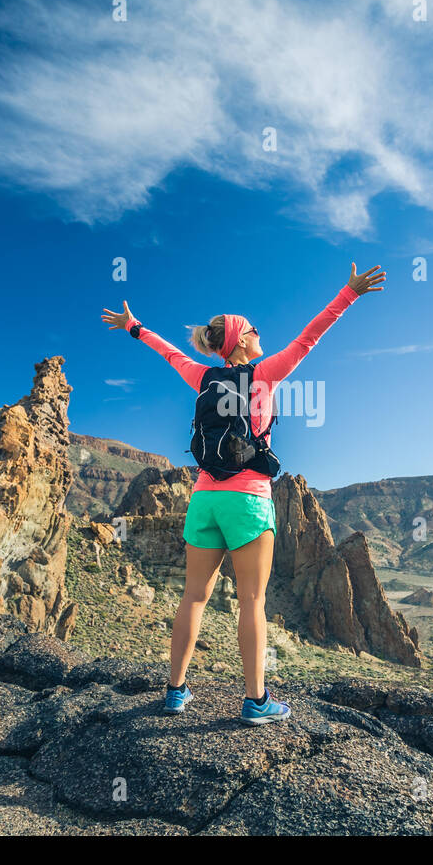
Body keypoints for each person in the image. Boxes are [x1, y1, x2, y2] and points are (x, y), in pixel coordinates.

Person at [100, 262, 386, 724]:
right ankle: (255, 702)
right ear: (242, 341)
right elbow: (310, 337)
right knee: (253, 602)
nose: (259, 331)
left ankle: (175, 691)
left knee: (193, 596)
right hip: (249, 498)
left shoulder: (203, 377)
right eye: (253, 328)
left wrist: (133, 326)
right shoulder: (265, 373)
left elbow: (169, 353)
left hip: (204, 498)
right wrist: (349, 293)